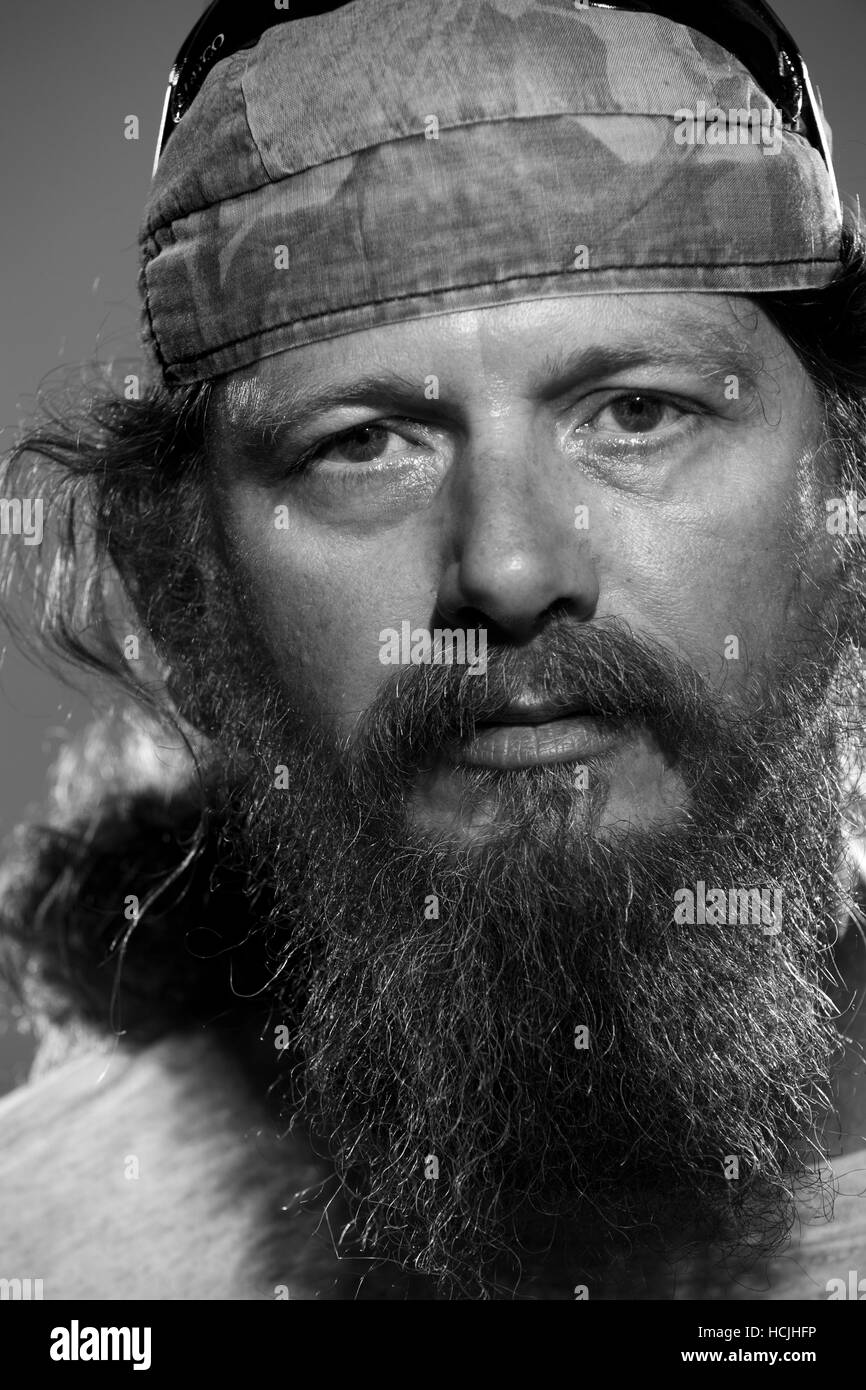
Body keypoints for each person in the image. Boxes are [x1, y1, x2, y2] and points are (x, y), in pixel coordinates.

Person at [0, 0, 864, 1301]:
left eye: (637, 411)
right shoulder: (50, 1265)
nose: (508, 571)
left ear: (843, 501)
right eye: (359, 445)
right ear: (190, 592)